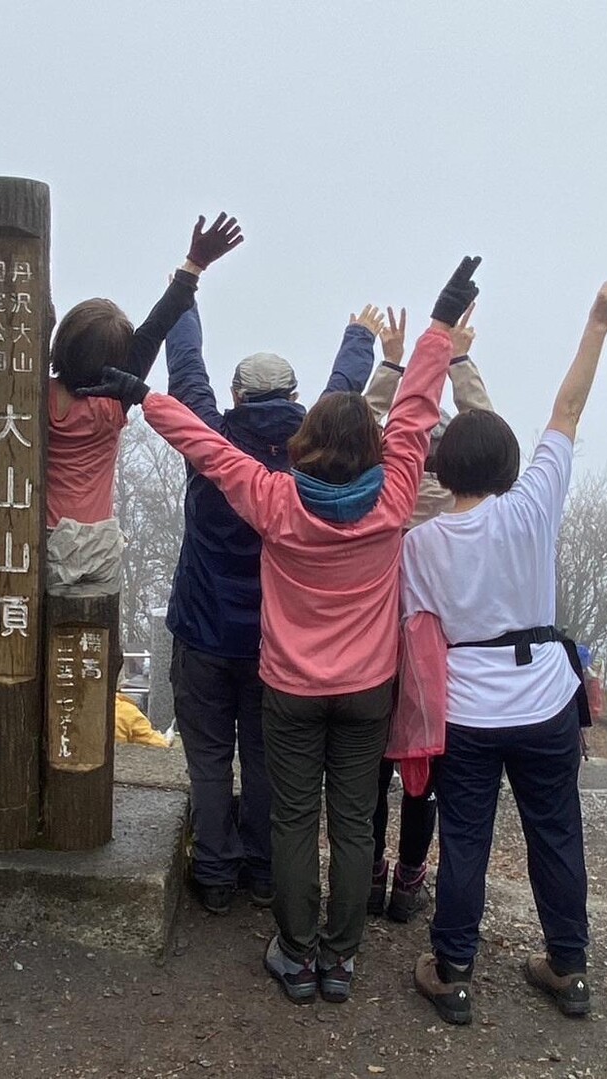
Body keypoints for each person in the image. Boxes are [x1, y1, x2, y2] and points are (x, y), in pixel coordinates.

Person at [80, 256, 483, 1006]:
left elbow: (207, 446)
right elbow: (417, 411)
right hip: (367, 688)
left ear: (303, 446)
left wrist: (143, 395)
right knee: (354, 821)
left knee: (295, 819)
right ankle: (341, 959)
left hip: (291, 688)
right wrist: (439, 321)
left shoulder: (276, 500)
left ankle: (296, 956)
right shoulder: (395, 496)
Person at [406, 281, 607, 1026]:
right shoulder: (533, 507)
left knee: (465, 835)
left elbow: (419, 632)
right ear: (507, 465)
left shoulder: (422, 543)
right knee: (555, 828)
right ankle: (568, 966)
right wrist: (596, 323)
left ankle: (453, 968)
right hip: (544, 703)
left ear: (440, 469)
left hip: (468, 707)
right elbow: (566, 411)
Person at [164, 297, 383, 916]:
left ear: (235, 394)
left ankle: (213, 874)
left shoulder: (212, 439)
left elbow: (186, 370)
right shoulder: (313, 450)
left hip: (203, 632)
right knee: (264, 762)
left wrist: (185, 291)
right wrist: (359, 336)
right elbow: (344, 390)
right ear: (294, 395)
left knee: (208, 758)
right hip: (275, 642)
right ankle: (263, 873)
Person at [362, 307, 494, 923]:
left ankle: (368, 869)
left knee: (372, 769)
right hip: (443, 660)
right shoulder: (474, 510)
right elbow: (488, 432)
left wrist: (391, 362)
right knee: (423, 772)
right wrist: (460, 360)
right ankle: (411, 876)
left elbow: (356, 427)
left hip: (375, 645)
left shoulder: (384, 493)